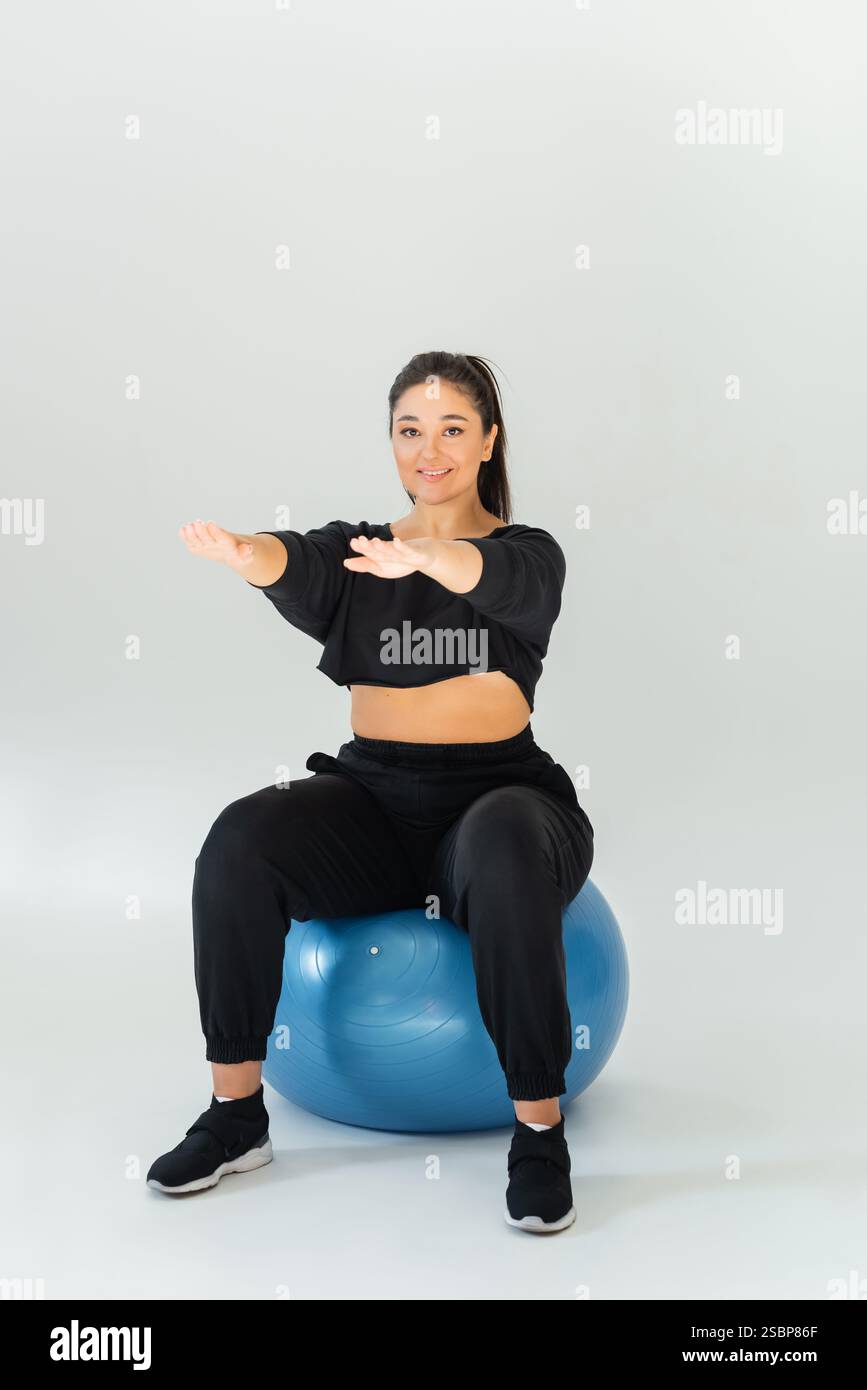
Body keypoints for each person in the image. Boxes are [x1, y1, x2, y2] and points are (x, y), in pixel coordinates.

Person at [147, 351, 594, 1233]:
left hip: (502, 799)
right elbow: (299, 562)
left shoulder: (526, 556)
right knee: (240, 837)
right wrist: (248, 553)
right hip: (374, 799)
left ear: (487, 441)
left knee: (503, 840)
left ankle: (539, 1133)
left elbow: (490, 579)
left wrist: (428, 555)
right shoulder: (361, 552)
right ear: (391, 441)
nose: (429, 449)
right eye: (409, 430)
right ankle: (236, 1117)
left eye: (451, 429)